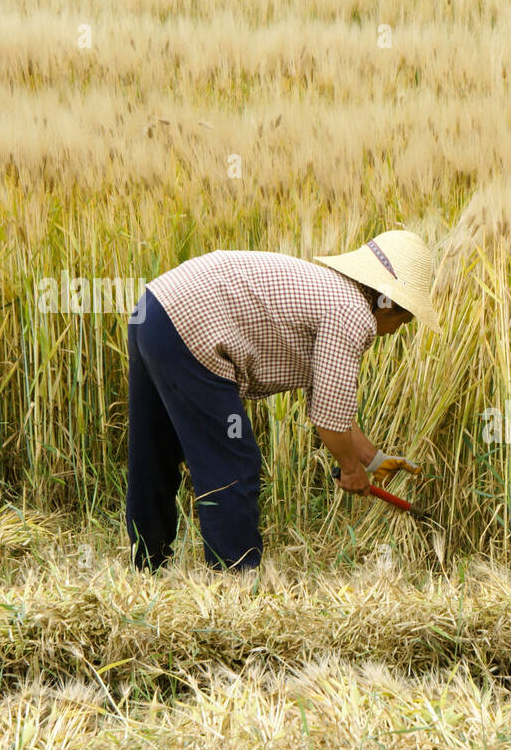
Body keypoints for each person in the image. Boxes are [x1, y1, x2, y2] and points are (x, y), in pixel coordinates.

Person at [124, 229, 437, 570]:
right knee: (233, 463)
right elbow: (328, 423)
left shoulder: (332, 292)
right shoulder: (352, 314)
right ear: (388, 303)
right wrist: (350, 470)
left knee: (154, 450)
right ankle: (235, 581)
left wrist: (374, 462)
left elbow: (335, 409)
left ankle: (148, 566)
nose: (398, 330)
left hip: (154, 310)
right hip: (193, 324)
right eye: (405, 320)